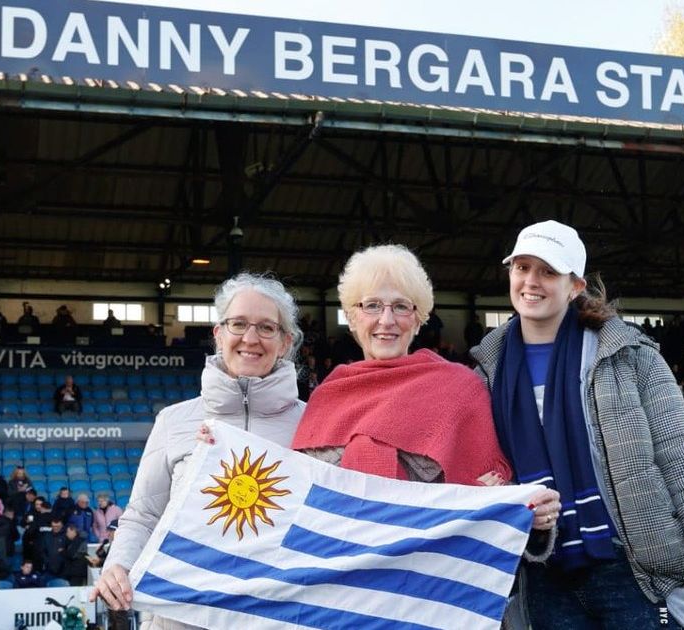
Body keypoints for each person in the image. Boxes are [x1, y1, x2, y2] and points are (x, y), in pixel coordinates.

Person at [469, 220, 684, 630]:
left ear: (575, 285)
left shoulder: (632, 356)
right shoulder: (485, 373)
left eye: (547, 271)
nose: (531, 282)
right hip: (544, 579)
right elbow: (481, 477)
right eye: (522, 268)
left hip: (636, 576)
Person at [91, 273, 307, 620]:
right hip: (183, 617)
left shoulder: (315, 425)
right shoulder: (173, 421)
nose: (250, 338)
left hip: (279, 617)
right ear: (218, 334)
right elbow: (144, 515)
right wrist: (118, 563)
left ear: (285, 341)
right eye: (238, 324)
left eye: (267, 328)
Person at [291, 245, 517, 487]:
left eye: (401, 306)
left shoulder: (461, 389)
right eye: (372, 305)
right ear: (352, 318)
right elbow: (304, 488)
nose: (387, 320)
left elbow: (492, 486)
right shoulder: (329, 394)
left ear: (418, 321)